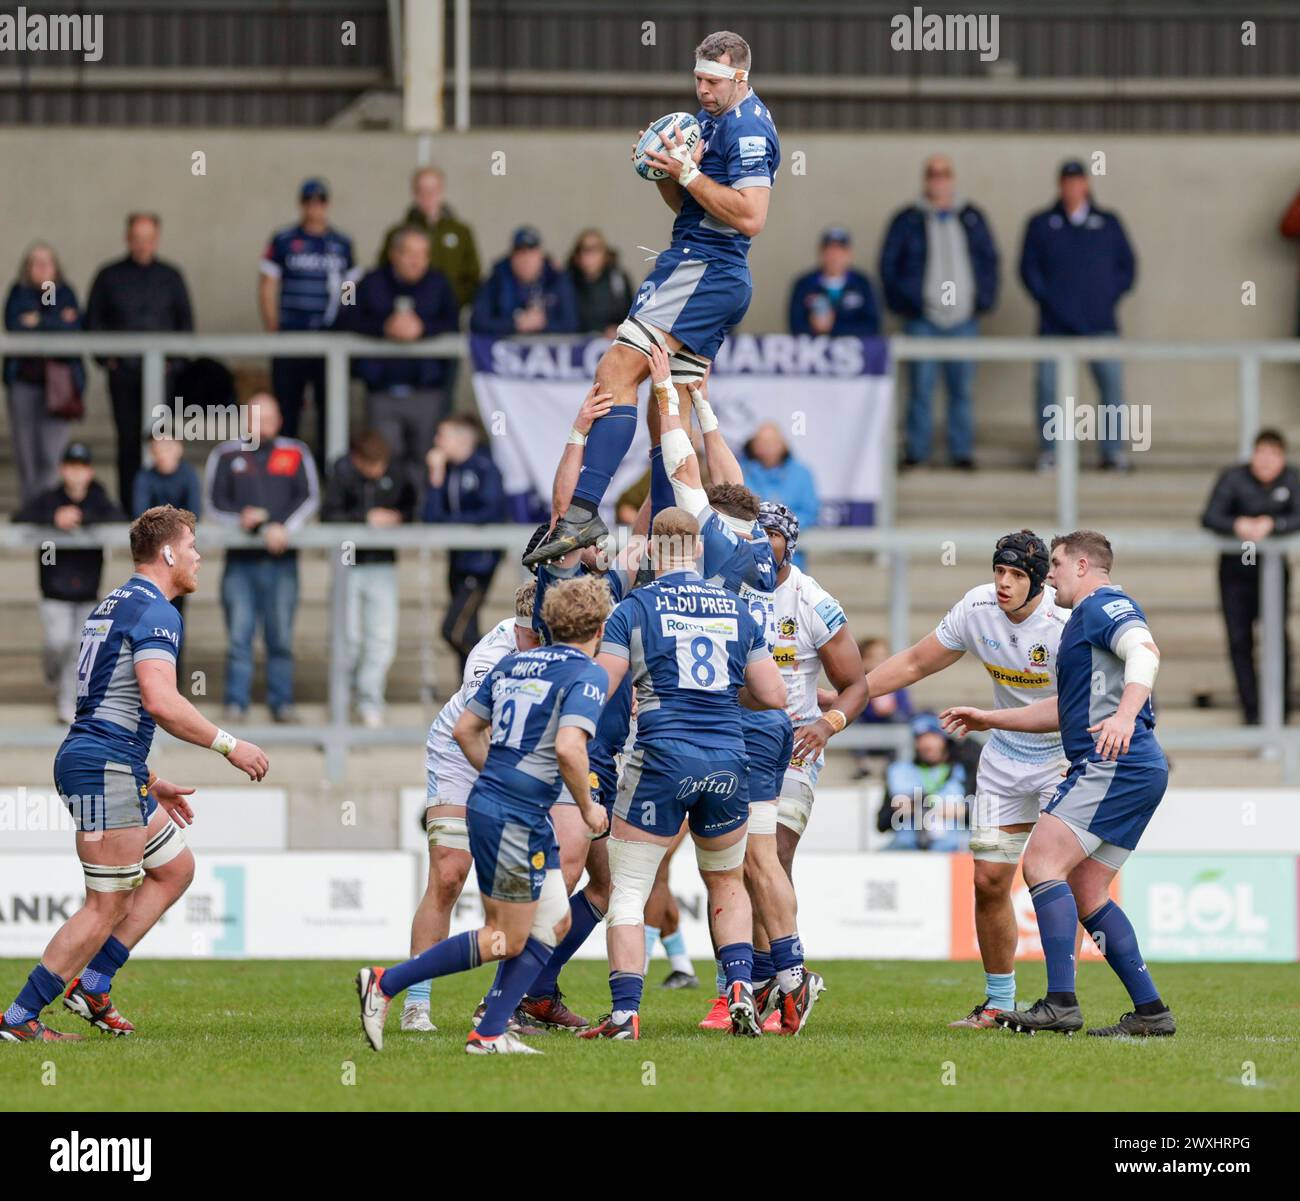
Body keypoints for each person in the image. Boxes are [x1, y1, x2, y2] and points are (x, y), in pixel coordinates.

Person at [0, 505, 268, 1043]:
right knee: (106, 903)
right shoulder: (159, 612)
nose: (198, 557)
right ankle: (19, 1017)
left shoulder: (114, 602)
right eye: (191, 547)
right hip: (103, 767)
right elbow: (160, 700)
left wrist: (147, 778)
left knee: (175, 868)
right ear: (168, 553)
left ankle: (93, 983)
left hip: (109, 762)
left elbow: (109, 700)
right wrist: (228, 744)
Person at [525, 29, 779, 566]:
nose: (702, 90)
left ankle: (585, 510)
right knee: (669, 406)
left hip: (702, 268)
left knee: (616, 368)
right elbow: (695, 205)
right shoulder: (712, 120)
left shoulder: (749, 126)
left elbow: (751, 217)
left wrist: (686, 170)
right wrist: (665, 171)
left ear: (741, 76)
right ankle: (672, 540)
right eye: (697, 79)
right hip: (709, 267)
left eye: (712, 81)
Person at [356, 575, 610, 1056]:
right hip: (515, 813)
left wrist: (500, 774)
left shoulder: (514, 663)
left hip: (509, 805)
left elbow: (467, 729)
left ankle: (488, 1032)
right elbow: (569, 747)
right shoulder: (586, 672)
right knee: (506, 937)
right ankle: (387, 984)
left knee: (553, 921)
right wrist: (587, 806)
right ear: (598, 628)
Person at [942, 530, 1176, 1038]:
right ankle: (1151, 1013)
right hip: (1140, 767)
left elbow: (1146, 652)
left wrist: (1123, 719)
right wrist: (991, 718)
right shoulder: (1085, 622)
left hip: (1115, 760)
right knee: (1088, 887)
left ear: (1085, 565)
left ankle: (1061, 1003)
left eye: (1058, 566)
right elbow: (1062, 709)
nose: (1050, 576)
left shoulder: (1101, 605)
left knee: (1041, 863)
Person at [649, 349, 819, 1036]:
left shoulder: (711, 539)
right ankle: (776, 977)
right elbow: (728, 476)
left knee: (733, 863)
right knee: (753, 858)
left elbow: (682, 465)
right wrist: (703, 401)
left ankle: (780, 982)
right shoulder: (758, 549)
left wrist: (667, 391)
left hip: (723, 717)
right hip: (761, 717)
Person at [579, 506, 789, 1040]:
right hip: (726, 759)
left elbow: (600, 686)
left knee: (627, 888)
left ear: (651, 549)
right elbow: (774, 695)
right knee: (727, 882)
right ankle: (740, 990)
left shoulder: (635, 606)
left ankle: (626, 1015)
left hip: (661, 758)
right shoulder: (738, 609)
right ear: (698, 549)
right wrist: (719, 695)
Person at [864, 531, 1070, 1025]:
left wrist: (989, 719)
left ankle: (1063, 1002)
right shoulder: (977, 606)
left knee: (1062, 879)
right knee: (988, 880)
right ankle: (999, 1004)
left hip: (1063, 757)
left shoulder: (1067, 623)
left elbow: (1074, 707)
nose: (1003, 583)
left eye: (1017, 575)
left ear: (1039, 581)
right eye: (999, 571)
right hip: (1003, 759)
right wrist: (853, 698)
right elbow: (915, 661)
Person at [402, 581, 540, 1033]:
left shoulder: (562, 641)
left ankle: (502, 1006)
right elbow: (472, 732)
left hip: (517, 761)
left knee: (520, 894)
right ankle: (416, 1002)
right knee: (447, 875)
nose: (536, 647)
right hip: (462, 754)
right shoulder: (489, 656)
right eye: (530, 638)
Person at [204, 394, 320, 722]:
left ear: (280, 419)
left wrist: (284, 527)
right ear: (245, 419)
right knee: (239, 636)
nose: (264, 425)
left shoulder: (295, 452)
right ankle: (236, 703)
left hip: (282, 560)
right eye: (257, 418)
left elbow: (309, 497)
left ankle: (281, 703)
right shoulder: (226, 454)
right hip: (239, 561)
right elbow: (212, 503)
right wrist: (240, 519)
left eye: (269, 418)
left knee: (280, 636)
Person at [880, 155, 1000, 469]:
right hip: (924, 320)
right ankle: (917, 452)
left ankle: (961, 452)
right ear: (925, 179)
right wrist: (909, 303)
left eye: (944, 173)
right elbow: (889, 266)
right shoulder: (908, 219)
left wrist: (981, 300)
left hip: (963, 320)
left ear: (952, 178)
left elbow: (989, 261)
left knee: (962, 389)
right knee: (921, 388)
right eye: (933, 174)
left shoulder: (971, 217)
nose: (939, 179)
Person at [1019, 160, 1137, 472]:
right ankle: (1051, 452)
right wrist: (1050, 300)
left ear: (1087, 184)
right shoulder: (1042, 223)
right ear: (1060, 185)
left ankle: (1112, 454)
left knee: (1112, 388)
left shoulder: (1108, 222)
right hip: (1054, 326)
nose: (1073, 187)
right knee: (1048, 390)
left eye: (1078, 181)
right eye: (1067, 181)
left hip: (1100, 325)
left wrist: (1104, 297)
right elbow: (1028, 270)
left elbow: (1127, 268)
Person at [84, 213, 194, 508]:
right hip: (124, 377)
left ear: (157, 239)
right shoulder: (109, 276)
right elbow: (93, 323)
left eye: (149, 238)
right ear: (127, 238)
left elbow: (186, 326)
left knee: (162, 441)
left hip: (162, 376)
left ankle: (164, 511)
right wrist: (108, 361)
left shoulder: (171, 277)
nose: (143, 244)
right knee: (128, 441)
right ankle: (130, 508)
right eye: (137, 238)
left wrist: (174, 364)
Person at [13, 442, 126, 725]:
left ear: (89, 472)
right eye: (71, 467)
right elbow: (19, 518)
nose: (76, 474)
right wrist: (53, 519)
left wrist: (84, 519)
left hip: (87, 592)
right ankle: (52, 676)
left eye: (82, 467)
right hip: (54, 592)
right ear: (63, 470)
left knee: (78, 648)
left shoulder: (99, 499)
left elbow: (119, 520)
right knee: (57, 642)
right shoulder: (49, 499)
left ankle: (67, 705)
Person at [343, 227, 460, 487]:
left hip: (426, 391)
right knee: (383, 459)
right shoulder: (368, 281)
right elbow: (347, 317)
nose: (416, 260)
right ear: (394, 254)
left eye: (423, 254)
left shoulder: (440, 284)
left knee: (425, 460)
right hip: (382, 391)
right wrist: (383, 327)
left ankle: (421, 519)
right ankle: (388, 516)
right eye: (409, 253)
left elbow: (454, 323)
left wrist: (423, 328)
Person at [1201, 428, 1299, 724]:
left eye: (1274, 455)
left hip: (1272, 572)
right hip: (1235, 574)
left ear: (1282, 458)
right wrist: (1238, 525)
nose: (1267, 462)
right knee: (1239, 641)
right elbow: (1211, 516)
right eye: (1262, 454)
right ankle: (1253, 711)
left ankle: (1280, 708)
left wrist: (1274, 523)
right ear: (1254, 454)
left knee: (1277, 638)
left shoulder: (1292, 480)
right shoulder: (1233, 478)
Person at [321, 430, 416, 727]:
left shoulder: (397, 472)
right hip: (348, 566)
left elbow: (414, 508)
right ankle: (341, 702)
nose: (378, 472)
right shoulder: (341, 472)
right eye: (371, 466)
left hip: (382, 565)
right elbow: (328, 515)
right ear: (357, 460)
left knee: (381, 639)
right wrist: (365, 519)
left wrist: (397, 518)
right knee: (348, 639)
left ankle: (369, 700)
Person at [259, 178, 356, 459]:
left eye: (320, 201)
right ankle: (286, 472)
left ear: (327, 204)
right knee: (287, 408)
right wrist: (273, 326)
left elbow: (349, 287)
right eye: (309, 201)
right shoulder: (284, 240)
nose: (315, 208)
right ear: (302, 204)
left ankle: (328, 470)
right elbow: (267, 282)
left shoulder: (341, 243)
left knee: (331, 407)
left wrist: (346, 322)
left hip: (329, 339)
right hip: (292, 337)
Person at [421, 415, 507, 672]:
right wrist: (435, 477)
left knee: (454, 630)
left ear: (461, 439)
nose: (436, 442)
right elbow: (430, 517)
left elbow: (490, 512)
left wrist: (454, 522)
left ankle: (490, 674)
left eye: (442, 436)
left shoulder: (485, 468)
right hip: (457, 560)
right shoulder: (447, 470)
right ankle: (469, 694)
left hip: (479, 562)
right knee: (467, 627)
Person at [4, 241, 85, 504]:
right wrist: (56, 320)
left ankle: (48, 512)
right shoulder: (19, 292)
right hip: (24, 385)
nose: (41, 268)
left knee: (52, 455)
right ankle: (31, 510)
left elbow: (73, 329)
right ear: (27, 268)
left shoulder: (64, 292)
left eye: (46, 261)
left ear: (56, 266)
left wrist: (38, 321)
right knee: (26, 453)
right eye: (35, 262)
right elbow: (15, 325)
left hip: (59, 387)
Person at [377, 165, 482, 310]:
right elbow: (383, 274)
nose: (428, 195)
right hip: (405, 313)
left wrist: (450, 301)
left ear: (442, 190)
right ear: (414, 193)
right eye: (422, 190)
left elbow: (472, 278)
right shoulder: (396, 233)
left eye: (433, 189)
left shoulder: (462, 232)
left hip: (449, 314)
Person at [879, 712, 969, 852]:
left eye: (932, 736)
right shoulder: (899, 772)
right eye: (921, 738)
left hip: (953, 849)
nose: (927, 744)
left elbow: (989, 815)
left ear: (944, 739)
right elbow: (881, 824)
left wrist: (965, 811)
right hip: (909, 848)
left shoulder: (964, 769)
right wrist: (899, 810)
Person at [469, 226, 579, 336]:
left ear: (540, 255)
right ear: (512, 257)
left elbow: (571, 323)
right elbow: (477, 321)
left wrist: (543, 324)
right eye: (520, 253)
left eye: (531, 253)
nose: (526, 260)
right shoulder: (496, 280)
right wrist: (515, 324)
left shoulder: (556, 279)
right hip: (505, 351)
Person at [740, 421, 819, 564]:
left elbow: (810, 511)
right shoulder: (741, 472)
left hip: (792, 560)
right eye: (762, 442)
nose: (767, 447)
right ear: (753, 446)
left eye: (772, 442)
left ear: (783, 444)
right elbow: (736, 509)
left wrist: (779, 527)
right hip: (751, 559)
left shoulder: (801, 473)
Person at [787, 227, 879, 336]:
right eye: (830, 251)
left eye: (840, 251)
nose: (835, 257)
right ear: (821, 253)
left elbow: (873, 325)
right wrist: (814, 327)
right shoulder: (805, 284)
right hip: (813, 350)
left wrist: (834, 328)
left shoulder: (862, 283)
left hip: (854, 350)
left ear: (849, 254)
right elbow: (795, 324)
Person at [567, 228, 635, 337]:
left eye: (594, 249)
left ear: (605, 254)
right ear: (577, 256)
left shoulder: (618, 280)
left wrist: (619, 328)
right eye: (584, 249)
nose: (588, 256)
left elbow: (631, 314)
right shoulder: (568, 281)